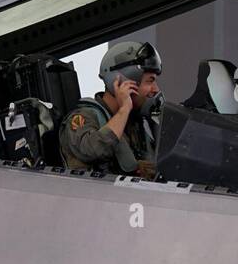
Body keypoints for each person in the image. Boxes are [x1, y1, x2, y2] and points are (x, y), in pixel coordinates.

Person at [60, 40, 162, 175]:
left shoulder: (134, 124)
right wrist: (124, 109)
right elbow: (92, 150)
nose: (156, 89)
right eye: (150, 81)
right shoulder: (84, 117)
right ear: (124, 83)